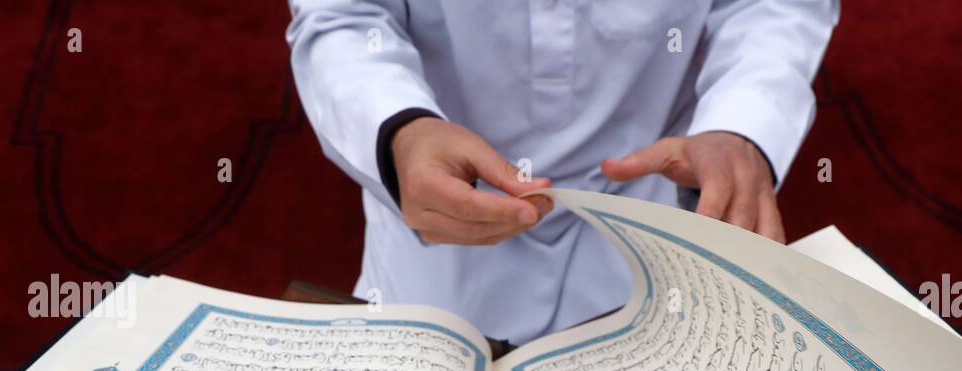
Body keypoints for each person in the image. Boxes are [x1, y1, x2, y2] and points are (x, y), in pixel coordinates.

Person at [287, 0, 838, 346]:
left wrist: (741, 124)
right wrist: (398, 132)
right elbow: (344, 17)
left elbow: (771, 7)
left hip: (657, 261)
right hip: (430, 275)